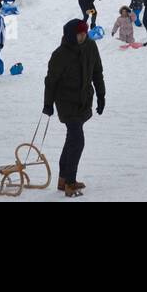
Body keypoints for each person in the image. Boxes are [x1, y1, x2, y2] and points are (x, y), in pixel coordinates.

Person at [43, 19, 106, 197]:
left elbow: (97, 72)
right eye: (79, 34)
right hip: (66, 102)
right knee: (77, 141)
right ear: (71, 35)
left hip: (84, 99)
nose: (83, 36)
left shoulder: (91, 46)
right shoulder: (60, 54)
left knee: (72, 140)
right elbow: (51, 82)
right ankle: (70, 183)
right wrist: (48, 104)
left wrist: (101, 95)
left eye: (84, 33)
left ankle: (63, 180)